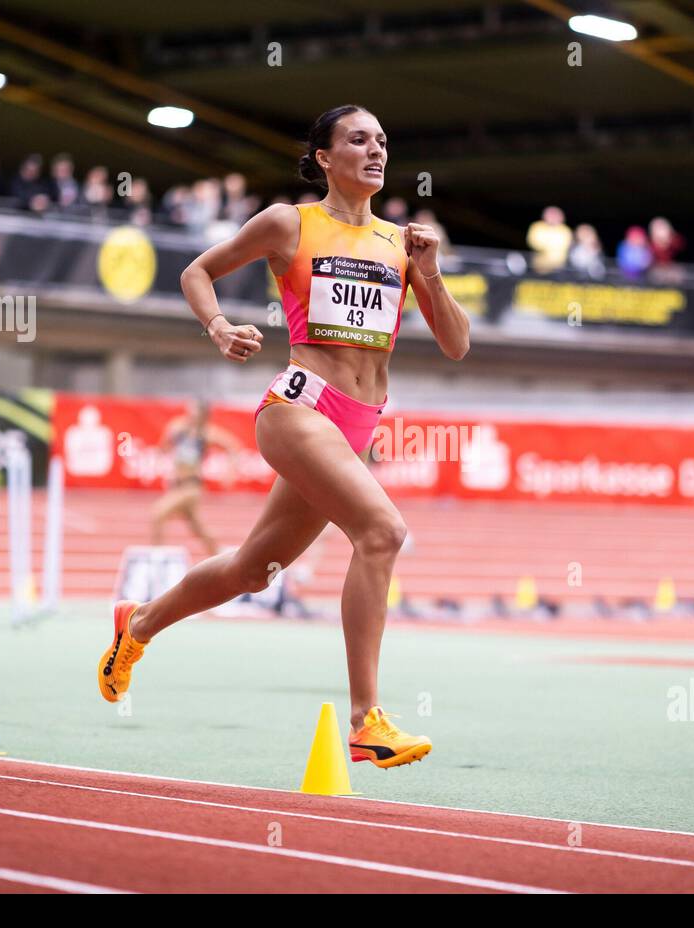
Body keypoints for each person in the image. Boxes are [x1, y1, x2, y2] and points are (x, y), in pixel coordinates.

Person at [98, 104, 470, 769]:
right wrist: (219, 328)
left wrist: (431, 269)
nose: (375, 150)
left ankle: (140, 622)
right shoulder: (289, 223)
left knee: (252, 569)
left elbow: (456, 344)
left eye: (383, 140)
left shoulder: (400, 244)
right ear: (325, 157)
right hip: (298, 409)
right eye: (358, 139)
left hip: (354, 427)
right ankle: (367, 720)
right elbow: (197, 272)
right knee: (381, 531)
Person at [150, 400, 242, 556]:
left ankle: (157, 561)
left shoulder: (206, 433)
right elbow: (163, 447)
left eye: (196, 412)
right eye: (190, 411)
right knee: (199, 529)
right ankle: (220, 556)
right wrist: (166, 442)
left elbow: (233, 446)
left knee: (157, 514)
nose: (191, 415)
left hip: (191, 487)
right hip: (177, 486)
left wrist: (230, 472)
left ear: (203, 416)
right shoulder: (178, 428)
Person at [527, 206, 573, 274]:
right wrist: (552, 247)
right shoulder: (537, 226)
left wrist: (549, 244)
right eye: (551, 215)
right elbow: (534, 243)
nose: (553, 218)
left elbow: (566, 245)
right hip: (540, 266)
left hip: (560, 267)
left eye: (556, 216)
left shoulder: (565, 230)